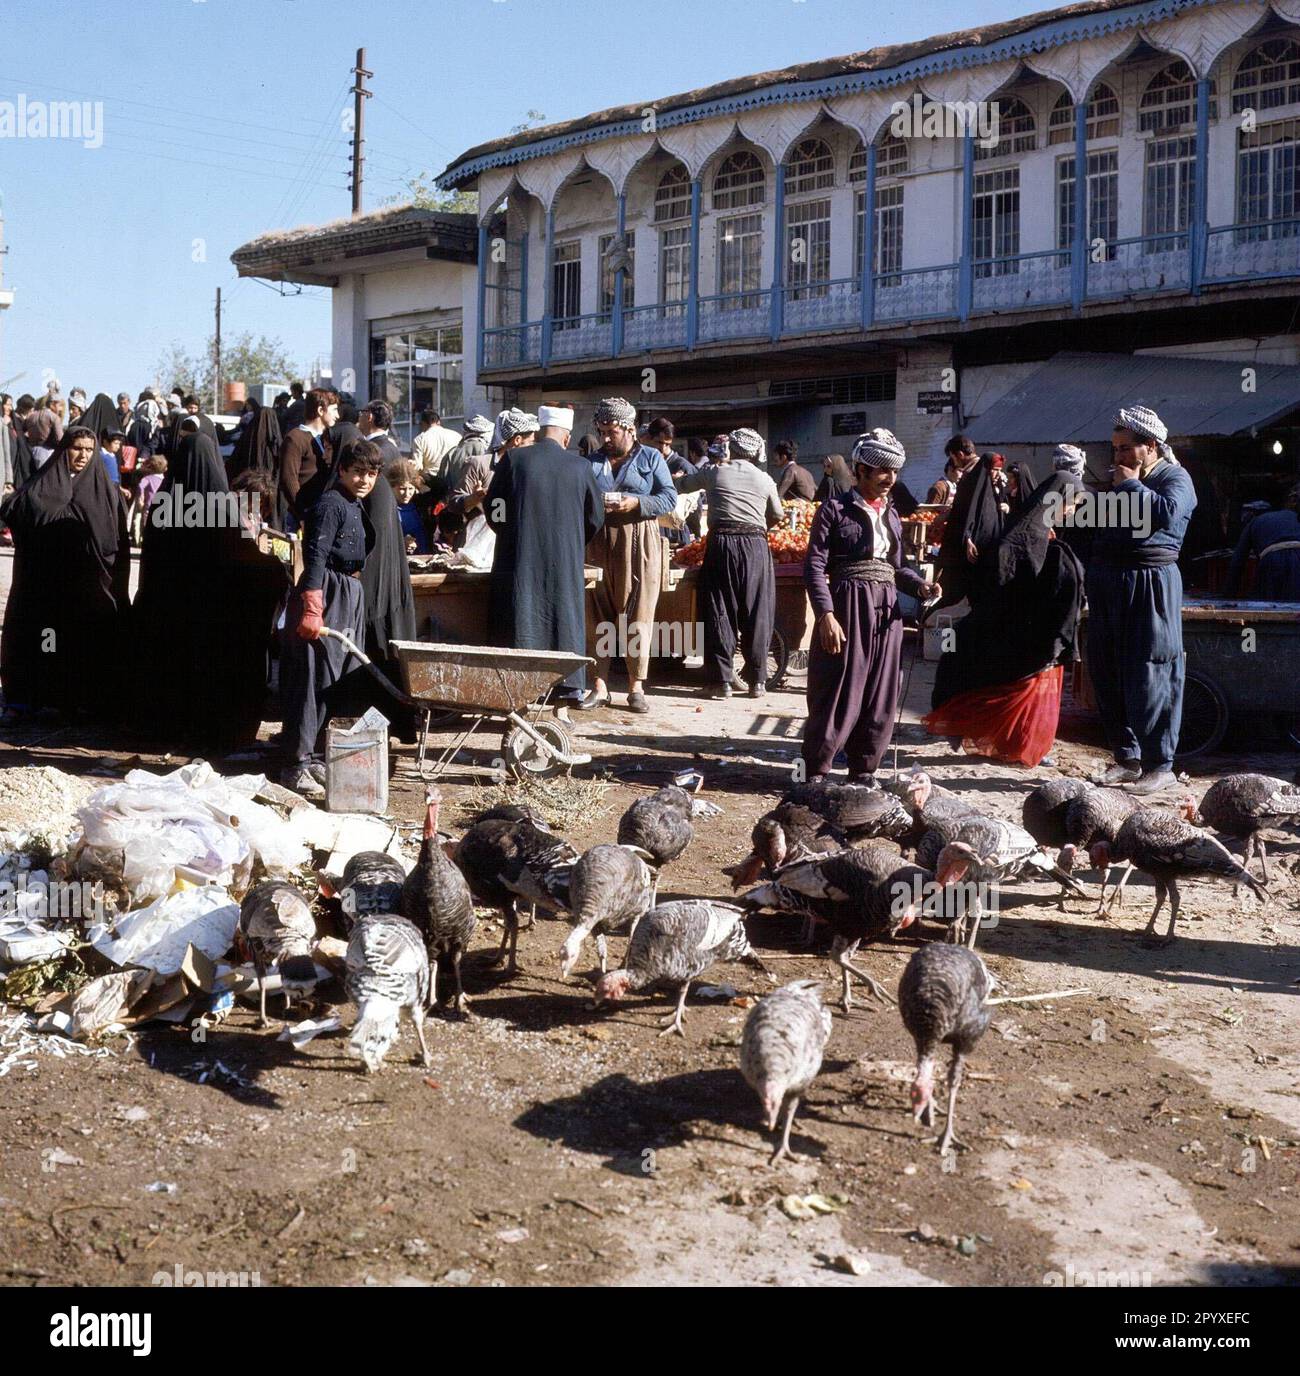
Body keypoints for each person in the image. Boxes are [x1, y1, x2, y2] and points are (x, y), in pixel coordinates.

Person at [801, 429, 938, 784]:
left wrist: (920, 586)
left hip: (886, 612)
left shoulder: (891, 515)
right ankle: (816, 770)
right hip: (848, 606)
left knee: (881, 691)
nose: (889, 479)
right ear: (860, 470)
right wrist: (826, 615)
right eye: (881, 471)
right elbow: (814, 566)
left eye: (894, 472)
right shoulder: (834, 510)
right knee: (839, 688)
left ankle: (863, 771)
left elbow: (897, 566)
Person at [924, 473, 1085, 767]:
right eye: (1070, 505)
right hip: (1014, 628)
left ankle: (1017, 742)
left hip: (1017, 627)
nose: (1071, 512)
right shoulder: (1027, 537)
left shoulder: (1036, 532)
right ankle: (1016, 742)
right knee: (1014, 687)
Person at [1086, 405, 1198, 794]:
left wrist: (1131, 486)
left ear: (1150, 446)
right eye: (1114, 449)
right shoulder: (1120, 482)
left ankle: (1160, 764)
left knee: (1152, 673)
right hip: (1111, 587)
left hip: (1152, 585)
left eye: (1125, 449)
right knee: (1108, 670)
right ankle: (1127, 759)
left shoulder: (1176, 478)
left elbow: (1167, 515)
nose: (1117, 457)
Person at [1, 426, 131, 718]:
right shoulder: (42, 484)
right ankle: (35, 696)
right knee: (47, 642)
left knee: (80, 645)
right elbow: (17, 510)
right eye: (76, 448)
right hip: (45, 588)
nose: (83, 455)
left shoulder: (106, 491)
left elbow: (117, 541)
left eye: (88, 449)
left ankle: (80, 699)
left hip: (87, 587)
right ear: (64, 450)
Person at [485, 404, 605, 709]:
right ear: (566, 438)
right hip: (564, 561)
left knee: (520, 619)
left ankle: (519, 697)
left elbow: (494, 507)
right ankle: (564, 696)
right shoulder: (581, 467)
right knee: (562, 621)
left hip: (519, 558)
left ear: (539, 432)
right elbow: (595, 517)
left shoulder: (514, 459)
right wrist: (573, 543)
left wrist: (512, 533)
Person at [279, 441, 381, 798]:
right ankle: (296, 764)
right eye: (357, 472)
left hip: (348, 594)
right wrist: (311, 603)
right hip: (327, 592)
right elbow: (316, 554)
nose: (364, 479)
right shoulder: (330, 504)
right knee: (313, 677)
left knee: (336, 679)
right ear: (341, 471)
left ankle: (317, 754)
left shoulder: (353, 504)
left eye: (370, 474)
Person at [579, 396, 677, 714]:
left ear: (629, 429)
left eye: (612, 432)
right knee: (597, 614)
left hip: (640, 542)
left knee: (637, 615)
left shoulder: (651, 459)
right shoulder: (592, 462)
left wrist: (636, 504)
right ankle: (600, 684)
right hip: (597, 542)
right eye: (602, 431)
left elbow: (668, 498)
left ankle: (636, 685)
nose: (606, 438)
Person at [676, 428, 784, 697]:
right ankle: (757, 681)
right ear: (757, 454)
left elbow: (683, 486)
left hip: (722, 542)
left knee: (719, 609)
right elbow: (778, 514)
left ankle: (720, 681)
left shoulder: (715, 472)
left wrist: (675, 479)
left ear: (731, 450)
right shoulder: (766, 479)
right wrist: (757, 528)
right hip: (756, 545)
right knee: (758, 610)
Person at [934, 451, 1008, 608]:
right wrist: (967, 539)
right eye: (995, 470)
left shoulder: (995, 490)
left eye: (1000, 470)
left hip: (987, 549)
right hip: (967, 551)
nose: (997, 474)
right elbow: (960, 518)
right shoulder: (969, 487)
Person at [1226, 483, 1300, 601]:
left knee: (1267, 606)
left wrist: (1228, 596)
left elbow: (1237, 562)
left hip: (1272, 564)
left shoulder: (1256, 521)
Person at [278, 388, 338, 520]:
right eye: (334, 410)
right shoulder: (295, 438)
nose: (337, 415)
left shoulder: (328, 439)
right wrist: (302, 514)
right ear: (321, 410)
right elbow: (288, 480)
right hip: (302, 516)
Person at [227, 395, 282, 493]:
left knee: (249, 507)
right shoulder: (277, 444)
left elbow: (233, 463)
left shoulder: (247, 438)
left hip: (249, 491)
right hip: (270, 491)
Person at [387, 460, 430, 553]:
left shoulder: (418, 507)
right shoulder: (387, 509)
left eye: (410, 488)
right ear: (392, 487)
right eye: (402, 489)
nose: (407, 494)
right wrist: (402, 542)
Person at [411, 408, 460, 482]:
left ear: (423, 423)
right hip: (454, 480)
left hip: (431, 481)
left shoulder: (420, 439)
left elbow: (417, 466)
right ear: (439, 422)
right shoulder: (456, 435)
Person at [130, 454, 166, 544]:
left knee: (145, 523)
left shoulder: (148, 478)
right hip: (161, 505)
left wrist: (140, 497)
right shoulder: (164, 479)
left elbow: (140, 486)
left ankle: (141, 540)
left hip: (149, 505)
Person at [359, 399, 401, 466]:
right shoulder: (392, 447)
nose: (359, 417)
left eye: (362, 412)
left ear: (369, 416)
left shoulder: (372, 450)